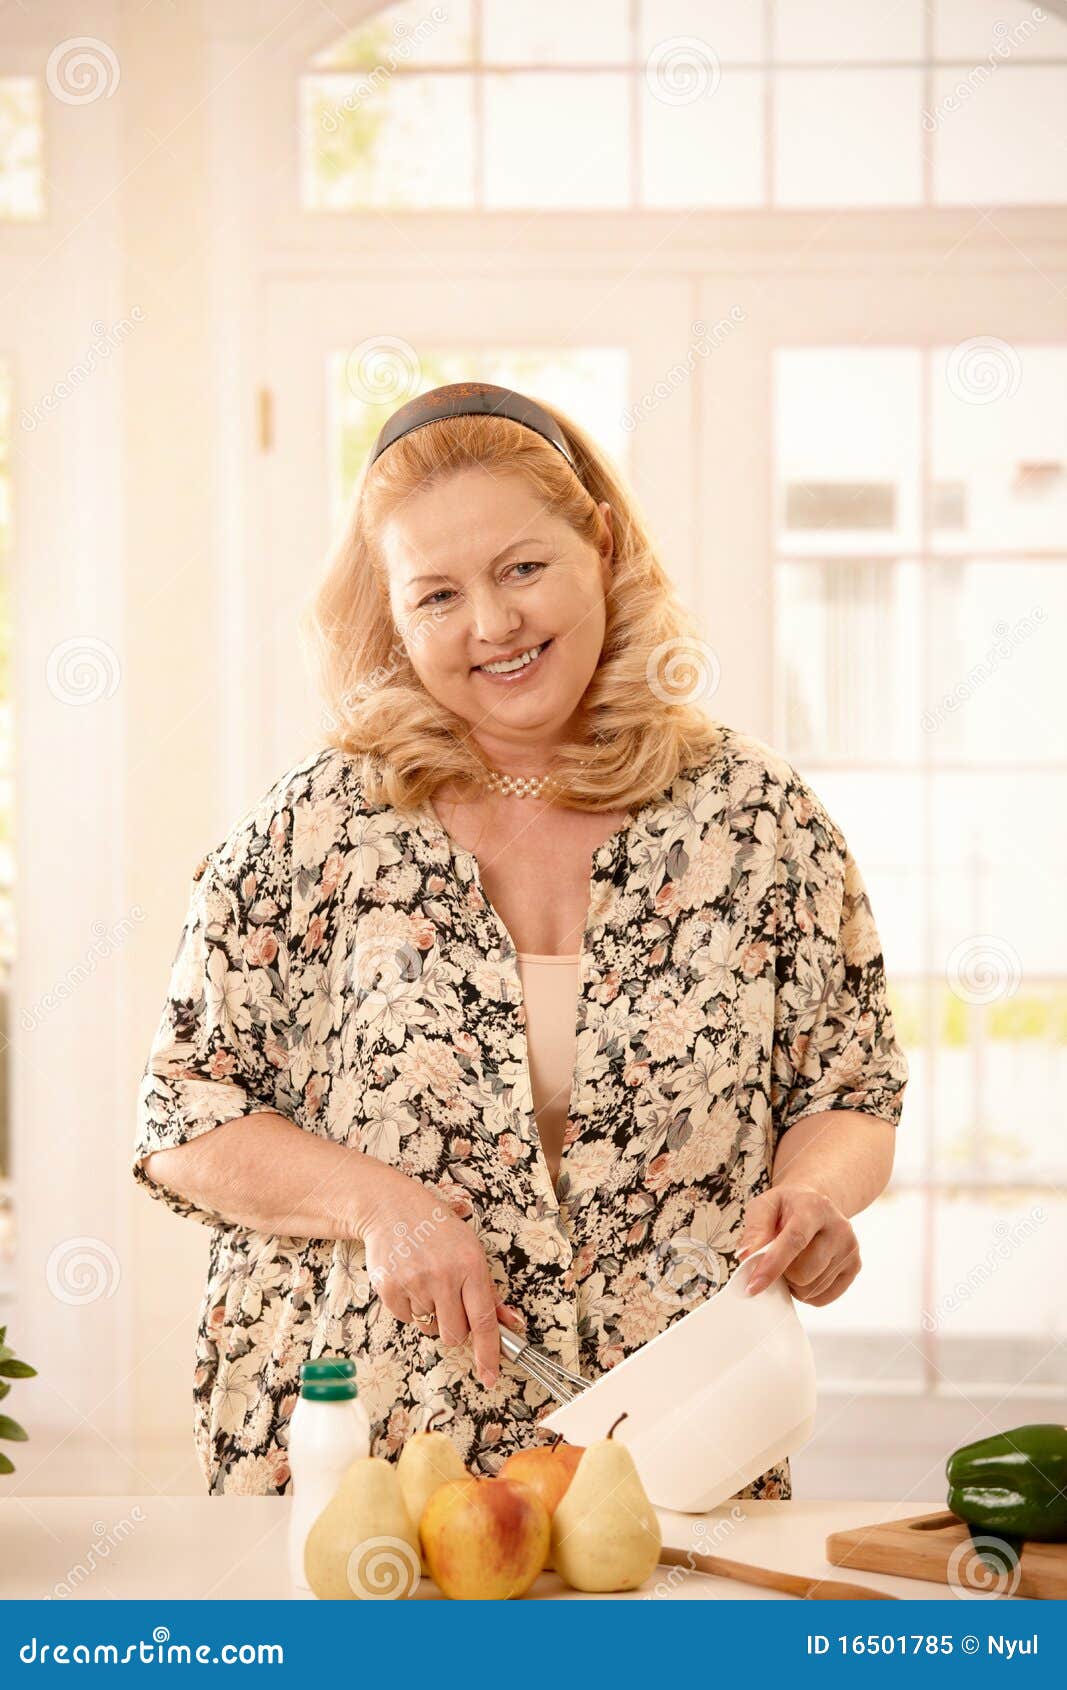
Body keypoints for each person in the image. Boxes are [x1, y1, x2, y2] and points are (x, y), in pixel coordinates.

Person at [132, 381, 909, 1497]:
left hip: (673, 1452)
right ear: (394, 615)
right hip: (370, 1462)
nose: (491, 624)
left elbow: (848, 1088)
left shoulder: (755, 817)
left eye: (521, 568)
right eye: (436, 592)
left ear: (597, 541)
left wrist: (817, 1196)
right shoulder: (313, 828)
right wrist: (379, 1202)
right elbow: (181, 1112)